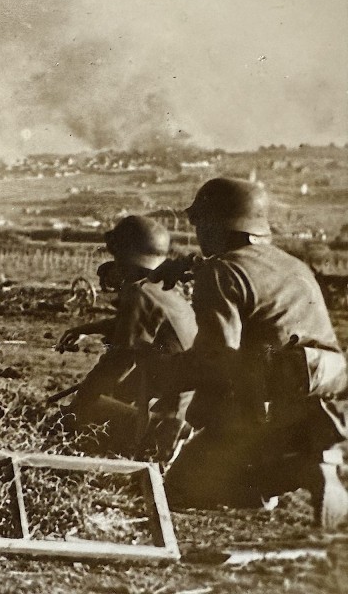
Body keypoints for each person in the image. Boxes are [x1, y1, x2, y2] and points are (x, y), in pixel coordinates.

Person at [148, 177, 348, 528]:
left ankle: (301, 469)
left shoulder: (222, 270)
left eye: (200, 225)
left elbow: (216, 358)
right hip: (324, 392)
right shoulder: (293, 265)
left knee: (182, 486)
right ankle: (313, 465)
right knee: (237, 481)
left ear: (215, 225)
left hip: (267, 391)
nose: (198, 234)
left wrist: (164, 374)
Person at [57, 215, 197, 456]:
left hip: (171, 396)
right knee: (112, 397)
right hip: (182, 385)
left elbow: (119, 360)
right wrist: (87, 329)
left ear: (121, 256)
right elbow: (138, 324)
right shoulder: (164, 287)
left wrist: (78, 405)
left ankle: (164, 430)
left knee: (89, 406)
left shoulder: (138, 292)